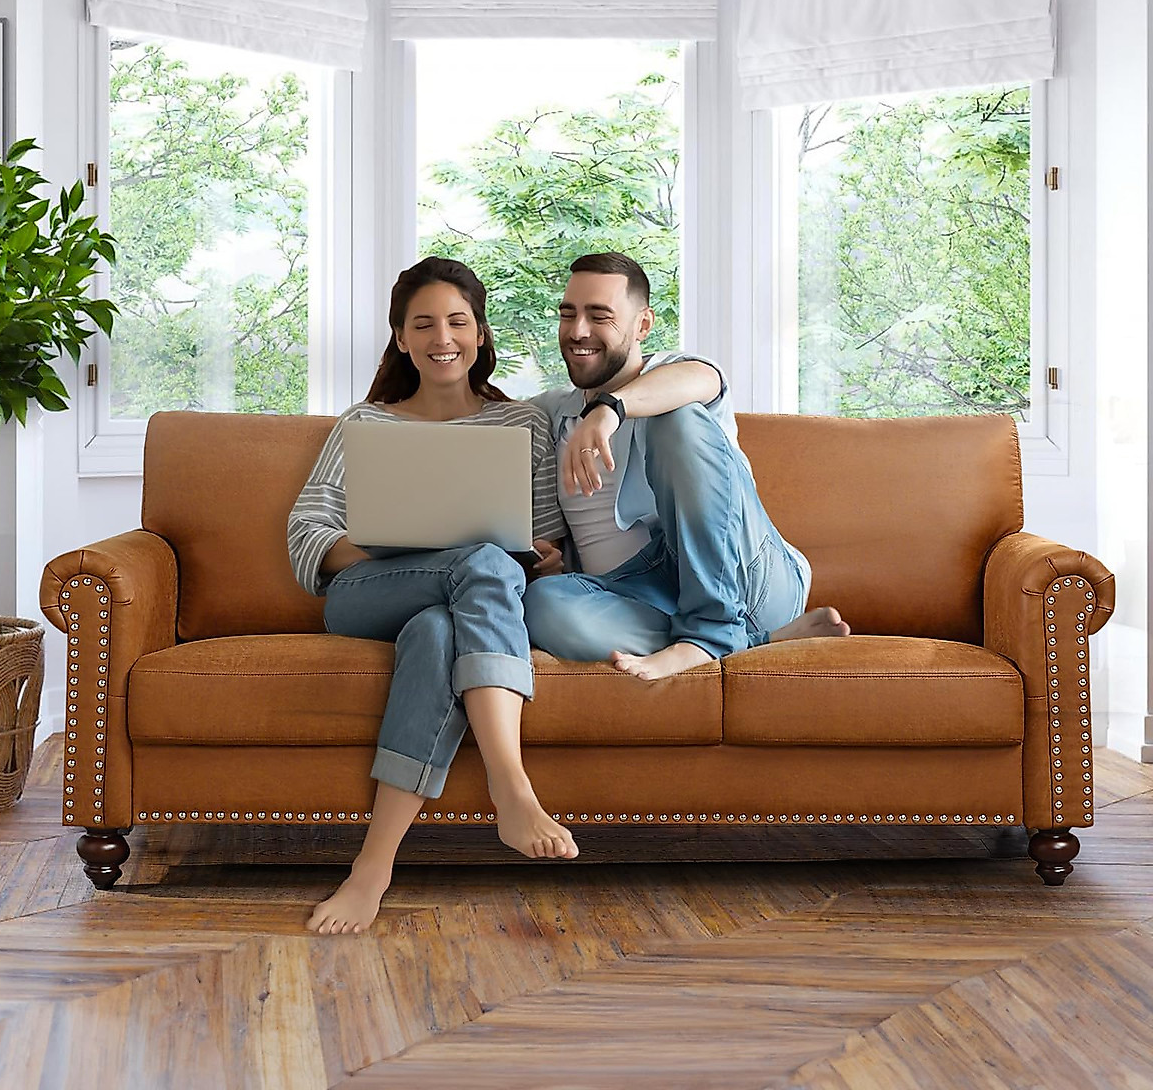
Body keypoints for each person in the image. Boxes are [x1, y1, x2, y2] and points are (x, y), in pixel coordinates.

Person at [288, 256, 577, 937]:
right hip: (367, 593)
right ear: (400, 338)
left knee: (438, 634)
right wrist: (399, 545)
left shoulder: (522, 424)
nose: (441, 336)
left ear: (479, 334)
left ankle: (372, 868)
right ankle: (512, 787)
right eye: (423, 324)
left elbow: (542, 535)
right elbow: (308, 527)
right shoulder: (367, 423)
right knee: (475, 561)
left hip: (458, 604)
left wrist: (541, 554)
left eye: (457, 321)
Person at [523, 252, 851, 681]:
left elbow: (700, 380)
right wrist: (547, 554)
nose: (578, 330)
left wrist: (610, 408)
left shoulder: (677, 374)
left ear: (642, 325)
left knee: (675, 416)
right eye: (569, 315)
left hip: (745, 574)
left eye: (599, 315)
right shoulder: (550, 413)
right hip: (638, 593)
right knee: (541, 603)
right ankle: (754, 640)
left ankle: (711, 632)